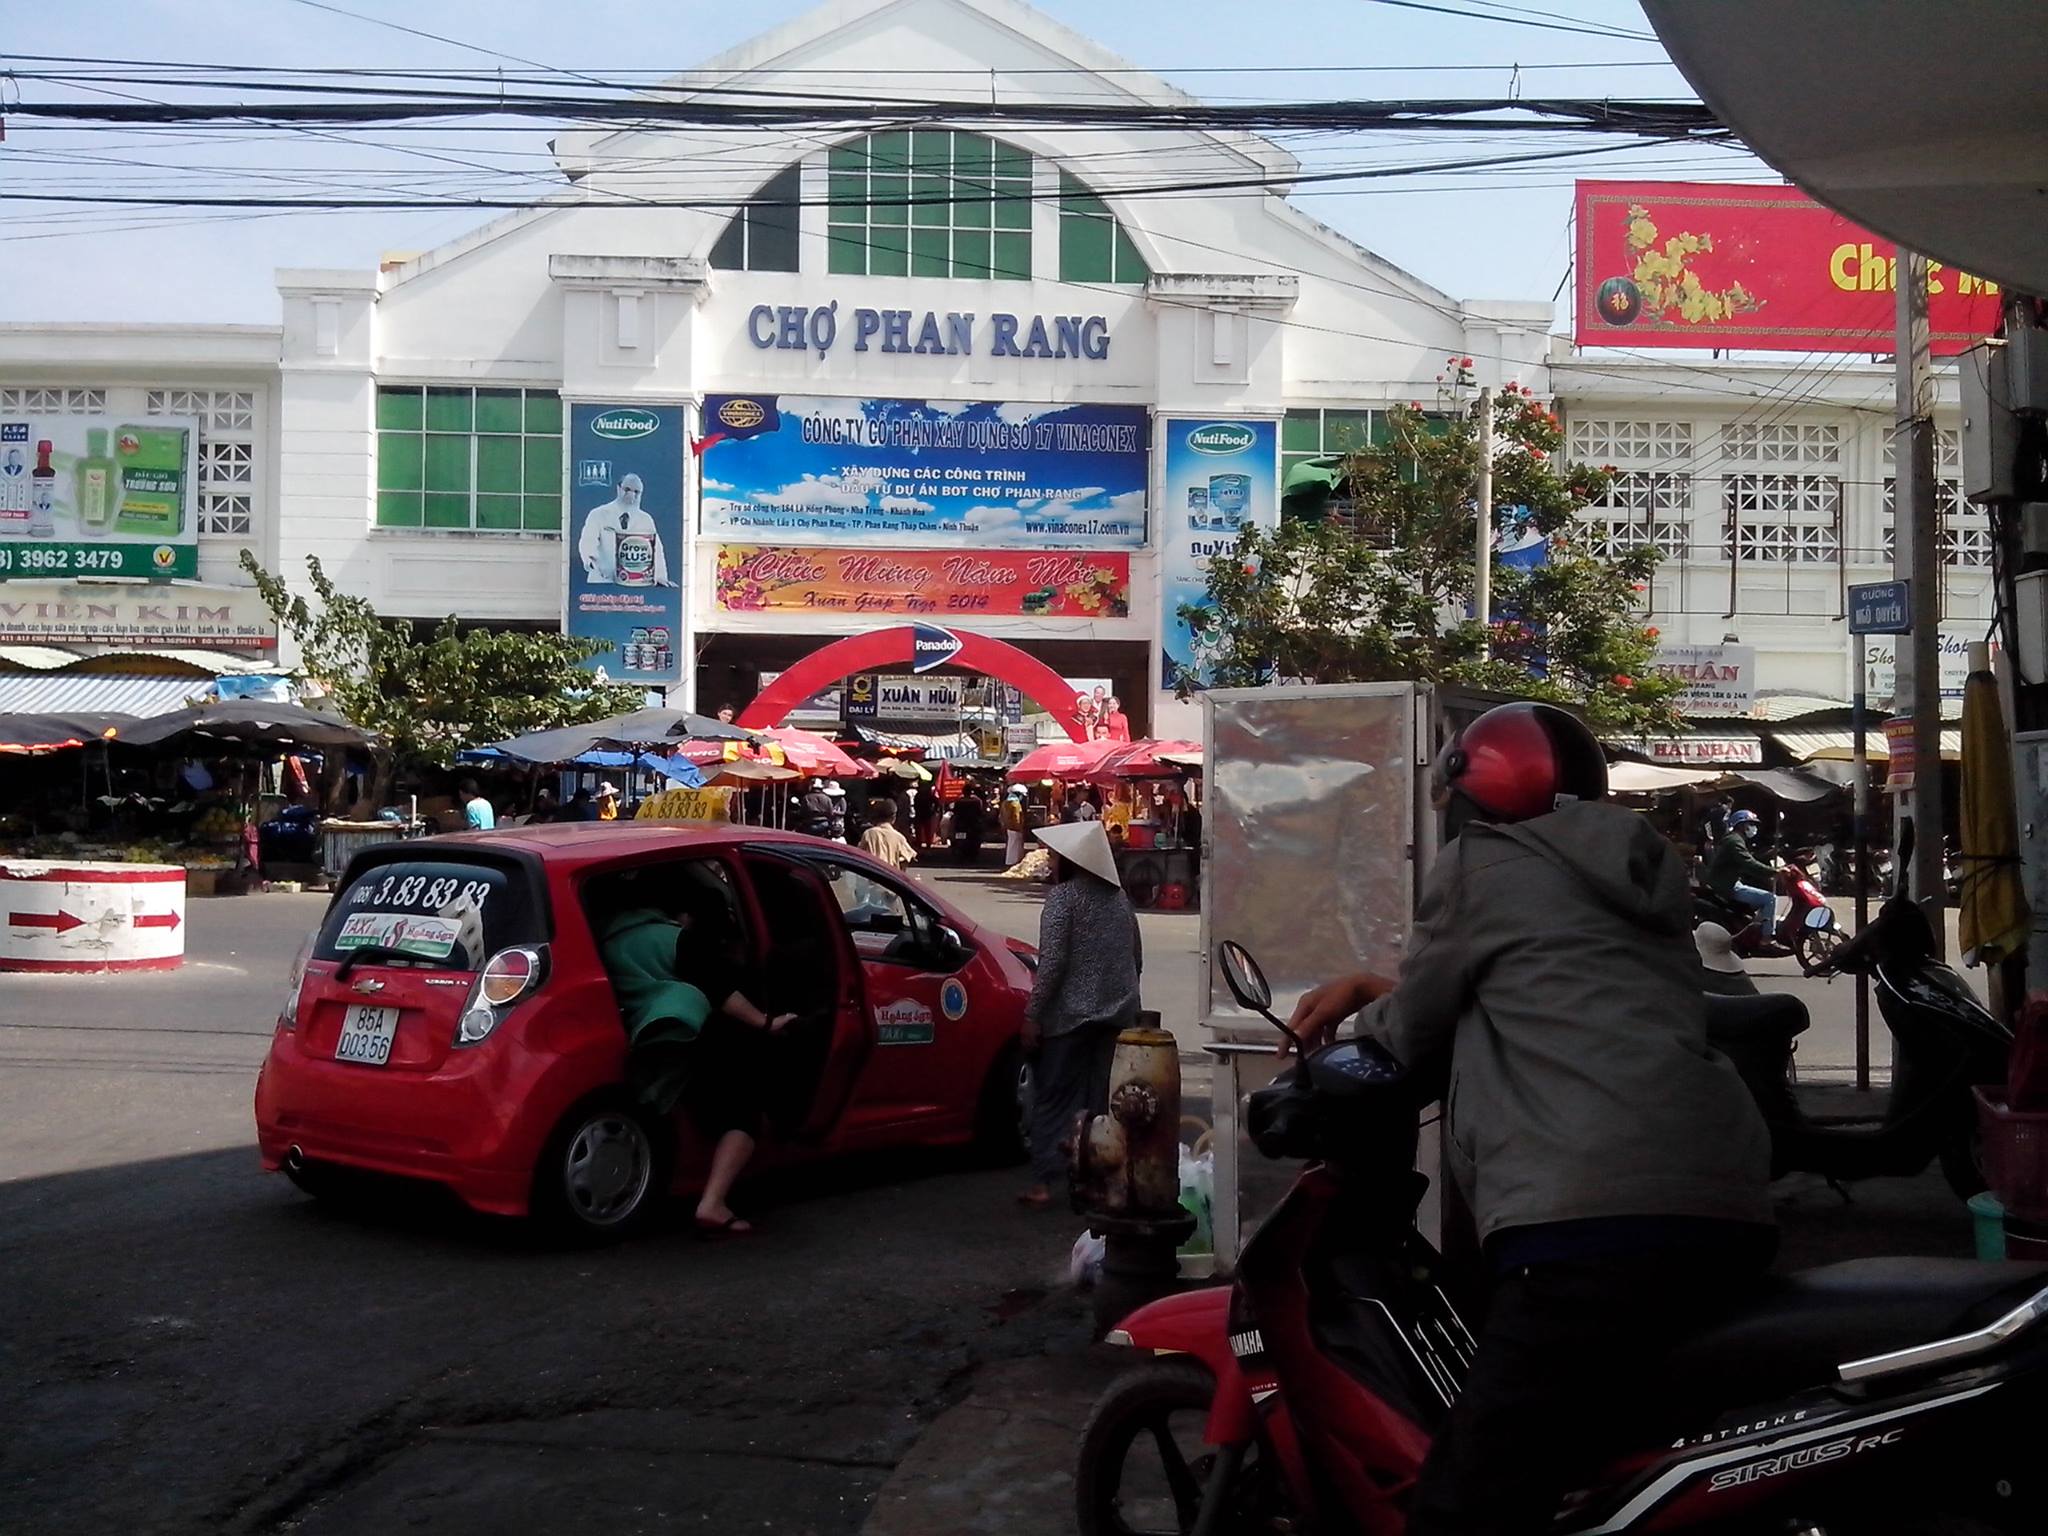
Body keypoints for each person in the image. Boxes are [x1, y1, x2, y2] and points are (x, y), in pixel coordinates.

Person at [1287, 701, 1774, 1536]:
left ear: (1478, 799)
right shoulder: (1644, 870)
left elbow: (1409, 1033)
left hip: (1586, 1222)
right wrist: (1384, 991)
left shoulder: (1483, 865)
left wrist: (1363, 1018)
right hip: (1727, 1201)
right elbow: (1558, 982)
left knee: (1465, 1505)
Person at [599, 876, 794, 1235]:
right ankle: (713, 1203)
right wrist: (765, 1022)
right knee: (743, 1114)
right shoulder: (673, 938)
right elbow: (720, 988)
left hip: (640, 1036)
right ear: (683, 913)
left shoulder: (607, 941)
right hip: (689, 1035)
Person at [1019, 820, 1142, 1209]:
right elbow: (1136, 960)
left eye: (1055, 855)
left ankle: (1044, 1182)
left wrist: (1033, 1014)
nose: (1051, 861)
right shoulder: (1120, 900)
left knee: (1055, 1099)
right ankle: (1098, 1183)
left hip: (1070, 1019)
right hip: (1118, 1016)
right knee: (1101, 1104)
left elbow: (1052, 964)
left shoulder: (1063, 899)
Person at [576, 471, 673, 586]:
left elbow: (656, 551)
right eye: (627, 489)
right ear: (618, 489)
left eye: (636, 492)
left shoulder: (646, 520)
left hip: (634, 585)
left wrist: (661, 577)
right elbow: (588, 541)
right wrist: (591, 562)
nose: (631, 495)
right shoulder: (598, 514)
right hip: (602, 583)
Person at [1705, 808, 1783, 949]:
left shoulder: (1735, 839)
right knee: (1770, 898)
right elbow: (1748, 863)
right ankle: (1766, 939)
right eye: (1750, 824)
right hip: (1727, 885)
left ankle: (1754, 927)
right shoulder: (1734, 841)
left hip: (1729, 881)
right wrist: (1774, 872)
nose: (1753, 828)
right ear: (1741, 825)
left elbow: (1746, 863)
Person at [859, 798, 918, 871]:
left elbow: (860, 854)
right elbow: (909, 856)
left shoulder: (868, 834)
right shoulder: (899, 837)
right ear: (894, 818)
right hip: (889, 875)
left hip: (872, 873)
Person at [1001, 787, 1029, 867]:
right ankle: (1014, 861)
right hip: (1015, 828)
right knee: (1016, 845)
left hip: (1008, 826)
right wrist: (1019, 828)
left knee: (1011, 844)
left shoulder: (1005, 803)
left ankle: (1009, 861)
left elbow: (1001, 816)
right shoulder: (1016, 804)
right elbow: (1016, 817)